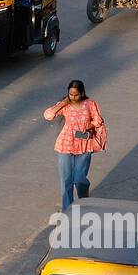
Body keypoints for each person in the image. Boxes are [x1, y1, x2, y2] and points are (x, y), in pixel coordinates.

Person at [43, 80, 106, 210]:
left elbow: (98, 120)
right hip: (65, 145)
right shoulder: (65, 105)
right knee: (66, 181)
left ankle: (84, 199)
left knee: (79, 179)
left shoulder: (90, 104)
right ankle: (67, 210)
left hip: (84, 145)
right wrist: (63, 102)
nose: (73, 97)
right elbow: (48, 116)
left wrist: (90, 125)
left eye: (76, 95)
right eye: (70, 94)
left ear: (82, 93)